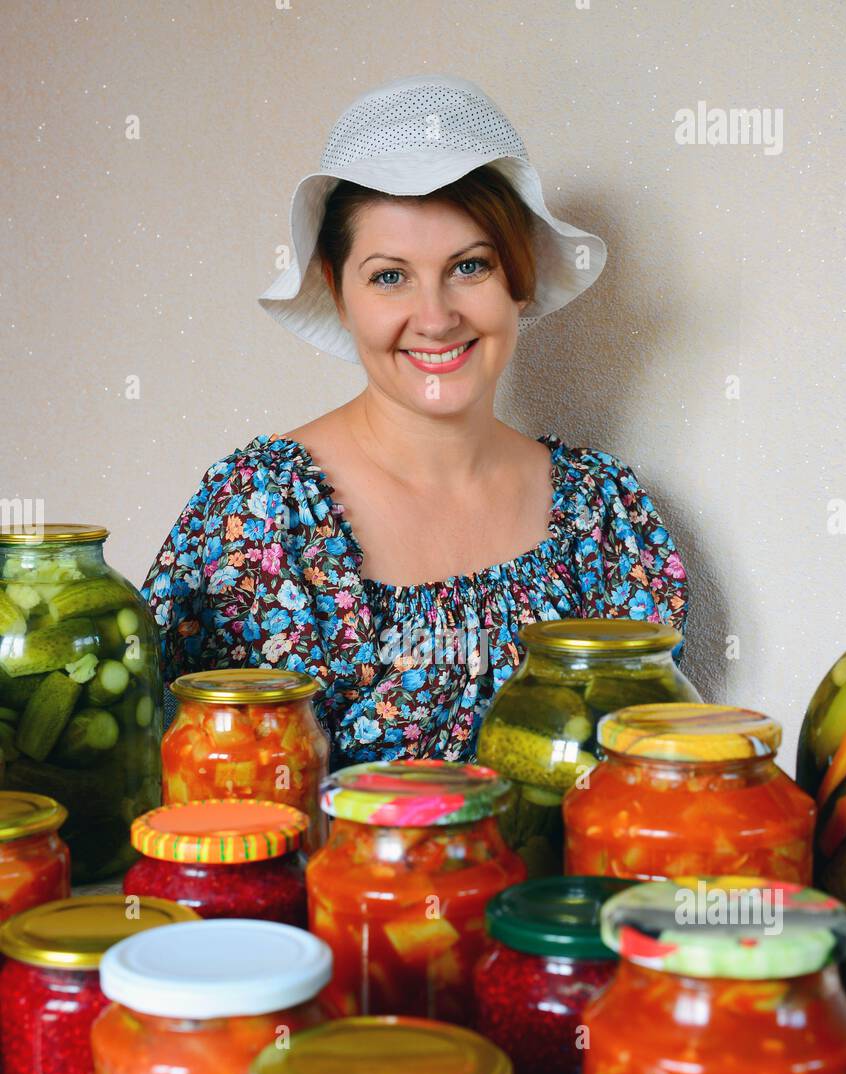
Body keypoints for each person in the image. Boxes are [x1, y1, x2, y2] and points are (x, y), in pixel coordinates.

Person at [141, 73, 689, 768]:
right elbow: (179, 779)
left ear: (516, 280)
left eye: (468, 266)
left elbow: (652, 781)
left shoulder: (605, 515)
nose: (435, 318)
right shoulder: (256, 512)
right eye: (389, 276)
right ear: (339, 294)